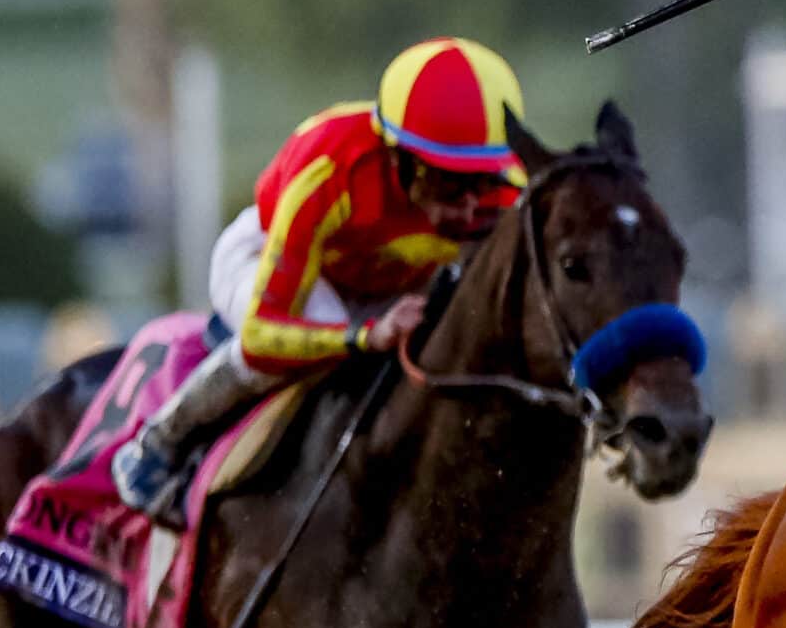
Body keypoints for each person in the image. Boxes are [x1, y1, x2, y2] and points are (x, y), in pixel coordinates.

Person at [111, 36, 530, 526]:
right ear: (399, 155)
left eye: (481, 180)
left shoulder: (505, 192)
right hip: (270, 260)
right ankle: (158, 442)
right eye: (447, 181)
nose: (466, 207)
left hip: (389, 285)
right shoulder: (330, 169)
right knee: (315, 345)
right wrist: (363, 336)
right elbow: (265, 336)